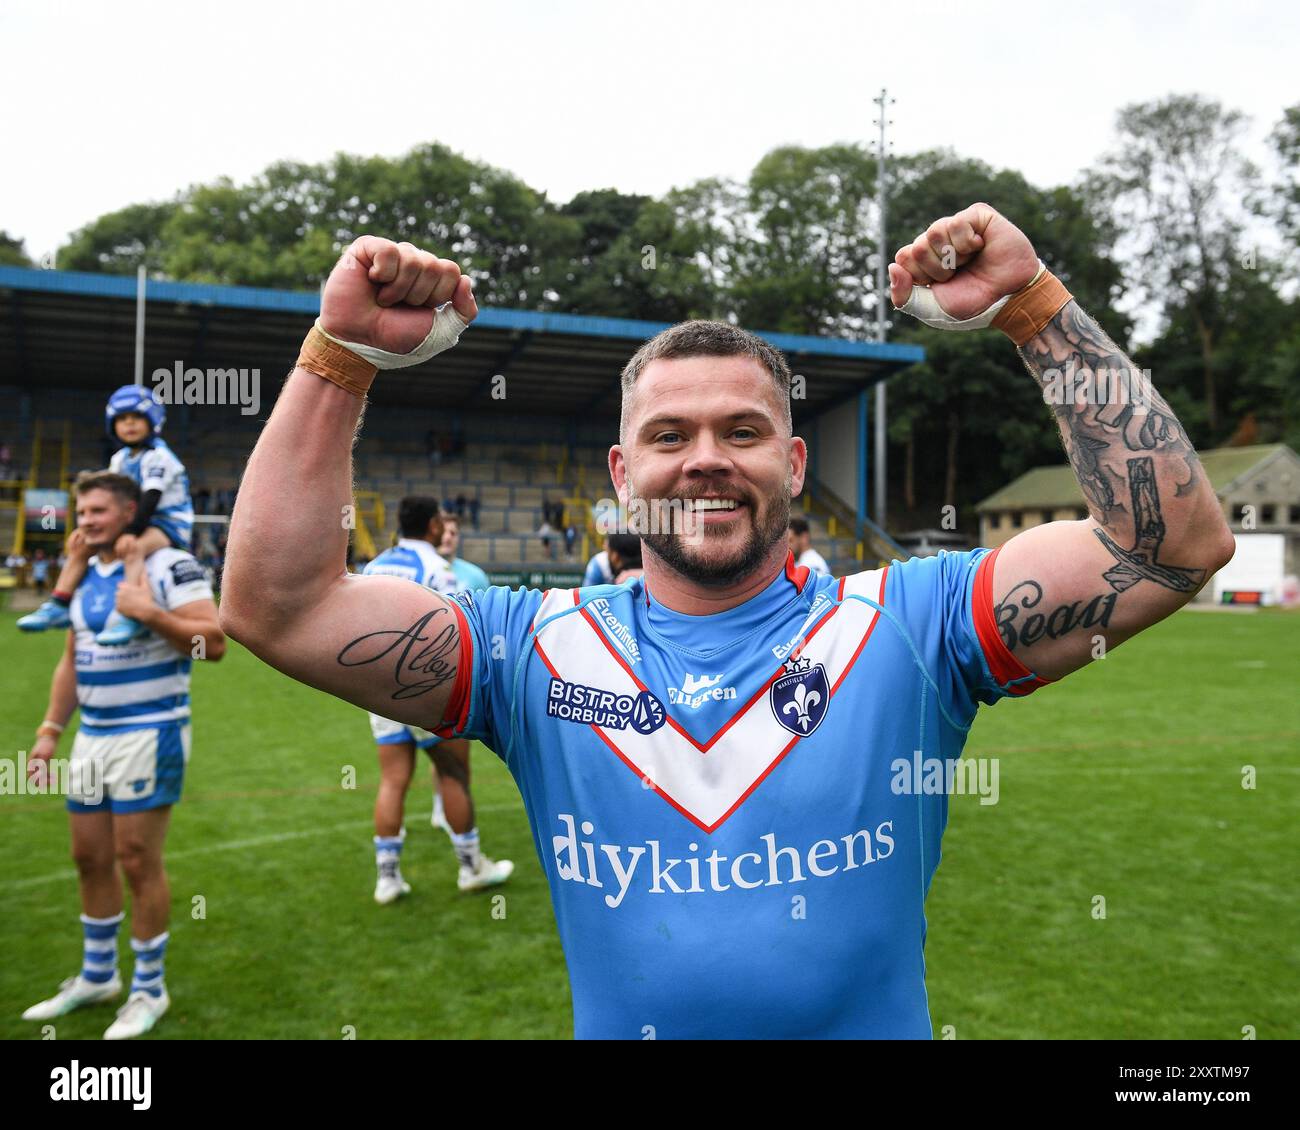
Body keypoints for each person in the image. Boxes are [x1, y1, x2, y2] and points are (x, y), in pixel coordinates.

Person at [220, 218, 1233, 1038]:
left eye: (743, 431)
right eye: (668, 434)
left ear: (794, 468)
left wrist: (1035, 307)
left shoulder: (911, 625)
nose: (706, 458)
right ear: (623, 478)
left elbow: (1169, 545)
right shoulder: (525, 652)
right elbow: (281, 607)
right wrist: (340, 355)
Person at [22, 471, 224, 1039]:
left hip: (151, 731)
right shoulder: (83, 570)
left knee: (137, 860)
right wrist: (50, 730)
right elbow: (72, 658)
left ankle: (148, 990)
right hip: (93, 737)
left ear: (129, 511)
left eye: (97, 511)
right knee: (88, 857)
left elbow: (215, 643)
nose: (85, 520)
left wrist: (151, 613)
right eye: (80, 511)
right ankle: (97, 976)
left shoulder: (171, 566)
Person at [360, 496, 512, 902]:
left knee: (393, 781)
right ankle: (471, 868)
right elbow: (449, 631)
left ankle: (387, 878)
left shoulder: (375, 565)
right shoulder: (437, 570)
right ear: (431, 525)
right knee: (453, 775)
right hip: (427, 692)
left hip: (378, 687)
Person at [18, 386, 194, 646]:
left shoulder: (160, 457)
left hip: (167, 523)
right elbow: (110, 494)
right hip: (132, 519)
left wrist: (129, 532)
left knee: (131, 547)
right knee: (80, 545)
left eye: (136, 417)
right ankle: (59, 604)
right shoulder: (120, 458)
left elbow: (150, 499)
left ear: (153, 421)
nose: (129, 424)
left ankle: (130, 615)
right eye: (122, 419)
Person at [438, 513, 490, 592]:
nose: (447, 537)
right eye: (442, 532)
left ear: (458, 538)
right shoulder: (419, 573)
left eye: (453, 533)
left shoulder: (476, 576)